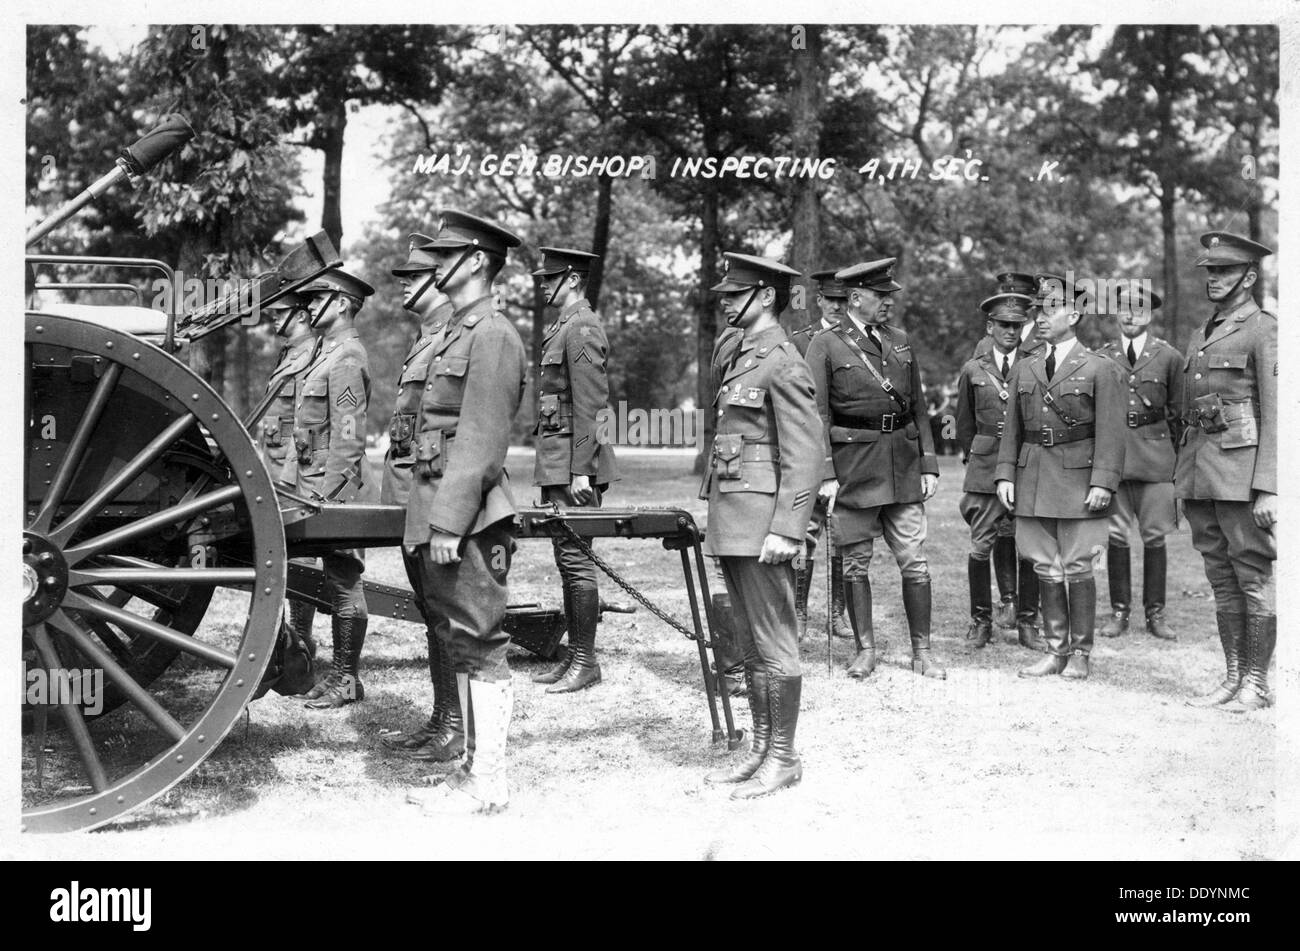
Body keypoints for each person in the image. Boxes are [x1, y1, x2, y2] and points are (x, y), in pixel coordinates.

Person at [401, 210, 527, 814]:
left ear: (477, 260)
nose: (433, 264)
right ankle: (473, 772)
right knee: (458, 641)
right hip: (438, 508)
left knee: (481, 644)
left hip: (469, 518)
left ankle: (491, 787)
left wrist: (448, 523)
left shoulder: (494, 335)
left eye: (444, 254)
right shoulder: (457, 331)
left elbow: (480, 440)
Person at [701, 251, 821, 799]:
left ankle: (784, 756)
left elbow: (804, 453)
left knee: (776, 643)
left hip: (763, 524)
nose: (725, 301)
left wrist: (789, 529)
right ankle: (762, 747)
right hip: (733, 517)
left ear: (765, 296)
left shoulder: (783, 359)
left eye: (734, 294)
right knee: (749, 644)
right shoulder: (742, 355)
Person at [805, 257, 946, 680]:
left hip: (903, 467)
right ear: (855, 297)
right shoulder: (825, 345)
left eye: (889, 295)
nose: (889, 302)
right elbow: (818, 415)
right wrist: (827, 474)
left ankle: (922, 651)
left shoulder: (900, 340)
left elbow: (918, 408)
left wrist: (929, 463)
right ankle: (865, 650)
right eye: (882, 295)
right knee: (855, 564)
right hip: (854, 469)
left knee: (915, 562)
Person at [995, 273, 1125, 681]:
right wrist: (1005, 475)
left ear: (1075, 312)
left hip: (1079, 478)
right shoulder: (1026, 368)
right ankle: (1056, 651)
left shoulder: (1100, 368)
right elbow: (1011, 430)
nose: (1042, 317)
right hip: (1032, 476)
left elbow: (1111, 432)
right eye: (1039, 309)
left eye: (1051, 309)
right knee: (1045, 567)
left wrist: (1103, 481)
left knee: (1078, 565)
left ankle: (1082, 652)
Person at [1179, 231, 1276, 711]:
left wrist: (1269, 487)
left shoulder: (1263, 329)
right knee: (1220, 576)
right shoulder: (1202, 332)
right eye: (1209, 271)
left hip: (1242, 476)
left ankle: (1257, 683)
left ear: (1250, 276)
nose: (1213, 278)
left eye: (1224, 271)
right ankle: (1233, 676)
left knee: (1252, 576)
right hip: (1202, 474)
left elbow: (1278, 414)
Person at [378, 234, 465, 761]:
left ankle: (455, 725)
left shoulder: (452, 337)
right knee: (432, 611)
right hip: (413, 489)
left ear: (439, 278)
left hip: (433, 494)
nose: (405, 286)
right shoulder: (428, 336)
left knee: (445, 614)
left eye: (413, 277)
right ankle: (441, 720)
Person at [529, 246, 619, 693]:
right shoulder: (563, 326)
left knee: (578, 563)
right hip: (558, 462)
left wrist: (582, 470)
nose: (543, 286)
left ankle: (586, 661)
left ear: (572, 280)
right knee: (567, 562)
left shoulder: (581, 326)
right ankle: (576, 657)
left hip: (572, 467)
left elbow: (592, 406)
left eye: (549, 279)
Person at [292, 268, 374, 709]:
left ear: (342, 303)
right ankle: (338, 673)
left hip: (332, 482)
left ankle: (347, 678)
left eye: (319, 299)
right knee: (329, 578)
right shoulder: (327, 355)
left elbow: (348, 434)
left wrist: (334, 498)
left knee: (344, 582)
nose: (308, 308)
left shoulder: (347, 357)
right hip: (312, 480)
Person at [955, 291, 1045, 651]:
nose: (1010, 331)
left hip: (1023, 465)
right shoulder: (973, 369)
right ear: (989, 326)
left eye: (1017, 325)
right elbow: (963, 424)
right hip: (984, 467)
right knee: (980, 547)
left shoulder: (1035, 364)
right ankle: (980, 622)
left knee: (1029, 548)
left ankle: (1027, 623)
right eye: (1004, 325)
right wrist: (975, 457)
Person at [1095, 285, 1183, 641]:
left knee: (1155, 537)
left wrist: (1175, 464)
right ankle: (1119, 612)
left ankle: (1156, 613)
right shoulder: (1102, 357)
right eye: (1123, 308)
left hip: (1156, 458)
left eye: (1138, 308)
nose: (1130, 315)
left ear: (1150, 314)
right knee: (1116, 536)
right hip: (1115, 457)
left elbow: (1178, 414)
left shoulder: (1169, 357)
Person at [974, 270, 1044, 629]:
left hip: (1030, 453)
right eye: (1006, 295)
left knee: (1030, 531)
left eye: (1020, 299)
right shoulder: (985, 348)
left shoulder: (1043, 345)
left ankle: (1033, 608)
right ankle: (1008, 600)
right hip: (993, 456)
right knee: (1000, 528)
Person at [788, 268, 854, 643]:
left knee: (844, 534)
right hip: (809, 451)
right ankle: (798, 611)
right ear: (819, 301)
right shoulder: (800, 342)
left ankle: (837, 612)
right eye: (832, 300)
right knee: (804, 535)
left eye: (844, 301)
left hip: (847, 450)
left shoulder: (858, 341)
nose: (838, 307)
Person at [256, 290, 322, 661]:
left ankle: (302, 640)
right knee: (287, 557)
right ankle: (293, 639)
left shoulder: (311, 354)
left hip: (291, 470)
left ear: (300, 315)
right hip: (275, 463)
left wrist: (290, 474)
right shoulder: (292, 353)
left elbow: (305, 421)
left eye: (281, 313)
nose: (273, 319)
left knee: (301, 558)